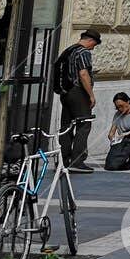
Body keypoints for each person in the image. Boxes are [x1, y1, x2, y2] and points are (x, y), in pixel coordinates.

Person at [53, 30, 100, 173]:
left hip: (65, 92)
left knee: (66, 126)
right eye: (95, 45)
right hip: (78, 92)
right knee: (84, 125)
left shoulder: (68, 50)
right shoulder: (83, 52)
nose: (93, 48)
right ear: (91, 41)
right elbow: (83, 73)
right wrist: (91, 95)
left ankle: (63, 160)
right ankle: (77, 161)